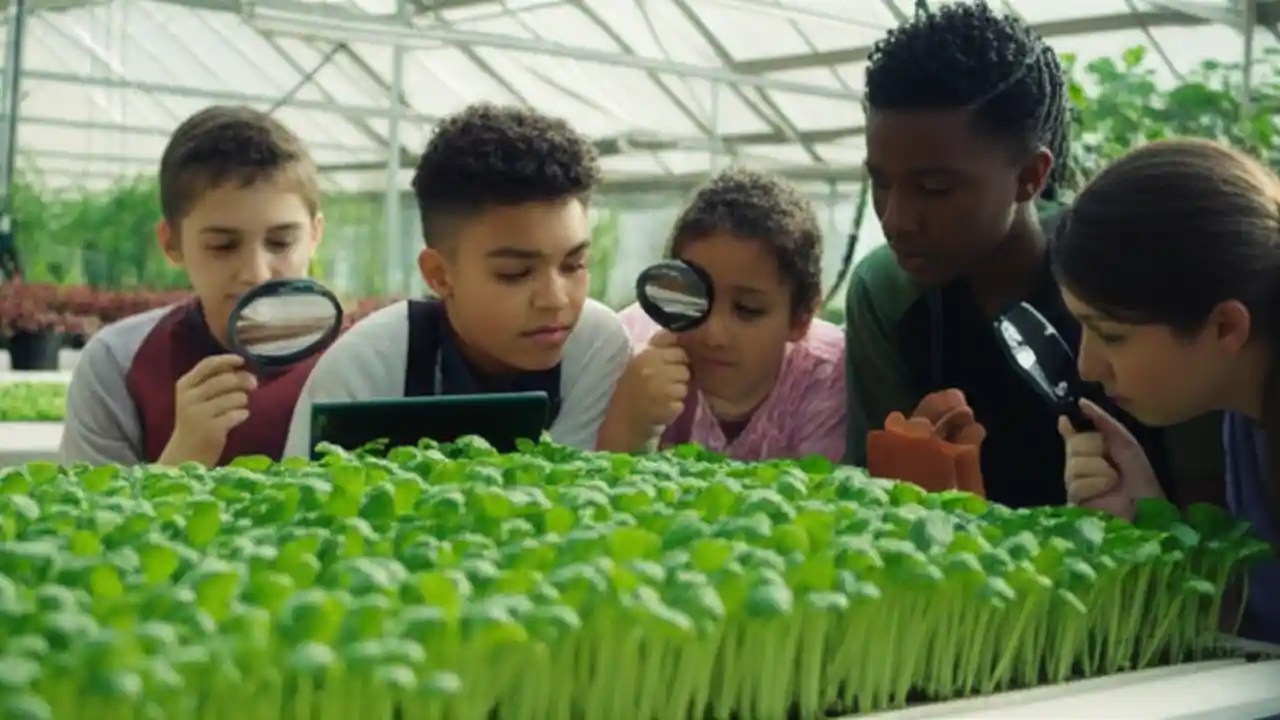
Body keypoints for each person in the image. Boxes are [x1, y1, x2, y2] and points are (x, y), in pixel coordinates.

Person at [840, 1, 1221, 508]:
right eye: (881, 183)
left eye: (933, 187)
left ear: (1030, 177)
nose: (895, 220)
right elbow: (882, 498)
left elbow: (1217, 518)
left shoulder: (1132, 279)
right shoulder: (886, 294)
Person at [282, 103, 630, 458]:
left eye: (574, 264)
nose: (555, 299)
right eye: (515, 273)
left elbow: (576, 487)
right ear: (439, 275)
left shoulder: (593, 344)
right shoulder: (367, 366)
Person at [1055, 137, 1280, 643]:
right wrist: (1147, 518)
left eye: (1111, 335)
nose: (1089, 366)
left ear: (1225, 327)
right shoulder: (1243, 415)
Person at [60, 105, 329, 467]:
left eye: (281, 243)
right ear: (172, 244)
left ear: (314, 235)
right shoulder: (117, 363)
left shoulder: (364, 354)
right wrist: (184, 455)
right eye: (223, 246)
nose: (256, 273)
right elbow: (91, 518)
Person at [601, 168, 846, 462]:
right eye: (694, 299)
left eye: (747, 310)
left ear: (801, 319)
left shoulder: (828, 375)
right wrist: (628, 422)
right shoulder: (629, 348)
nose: (714, 334)